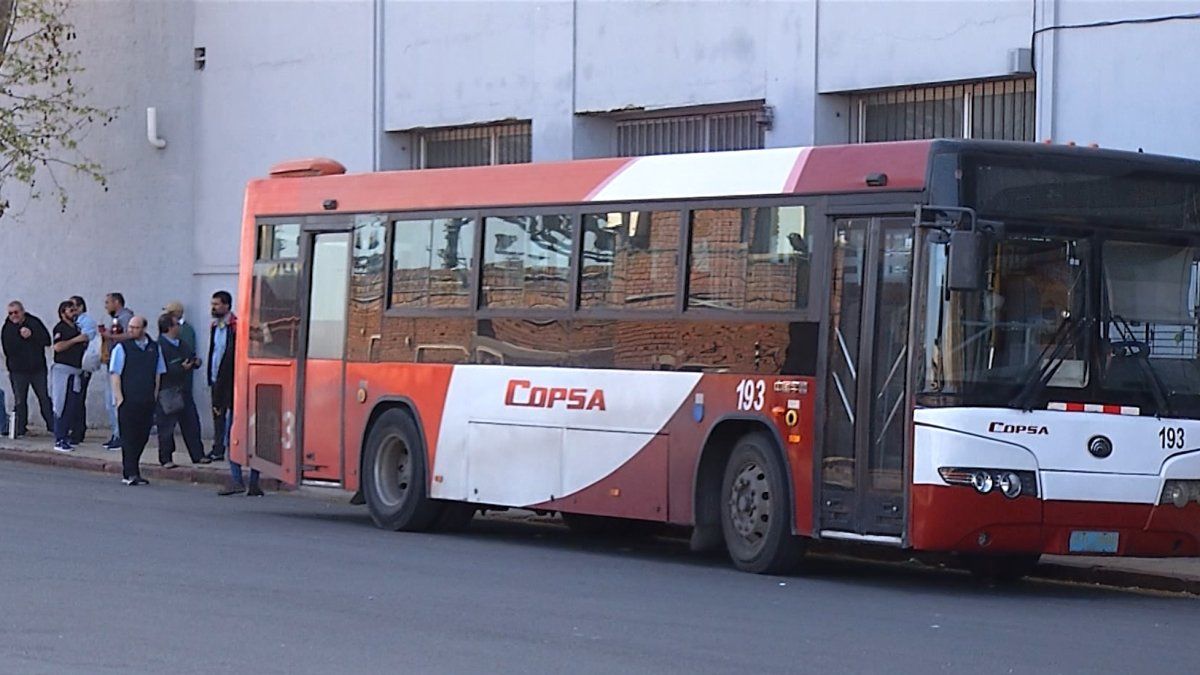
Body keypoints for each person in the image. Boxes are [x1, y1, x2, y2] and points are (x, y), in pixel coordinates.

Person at [209, 291, 261, 496]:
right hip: (219, 384)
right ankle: (239, 477)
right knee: (227, 430)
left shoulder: (237, 328)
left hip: (236, 387)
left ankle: (246, 480)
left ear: (227, 305)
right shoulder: (216, 327)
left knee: (240, 435)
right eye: (212, 304)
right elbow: (215, 354)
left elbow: (230, 361)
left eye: (217, 304)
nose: (213, 308)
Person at [109, 316, 164, 485]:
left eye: (135, 327)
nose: (131, 330)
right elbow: (115, 374)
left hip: (146, 399)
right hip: (128, 399)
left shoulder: (154, 348)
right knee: (128, 437)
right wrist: (119, 398)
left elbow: (158, 373)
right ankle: (129, 472)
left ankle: (135, 469)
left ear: (144, 328)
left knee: (142, 436)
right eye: (130, 327)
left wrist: (154, 395)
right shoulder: (122, 347)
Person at [155, 313, 210, 468]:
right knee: (167, 427)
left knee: (192, 423)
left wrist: (195, 362)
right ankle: (166, 458)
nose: (179, 327)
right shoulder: (159, 346)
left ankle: (197, 455)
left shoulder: (181, 343)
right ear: (169, 327)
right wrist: (180, 368)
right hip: (168, 392)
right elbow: (161, 370)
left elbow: (191, 356)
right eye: (176, 324)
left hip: (184, 389)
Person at [2, 301, 54, 437]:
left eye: (16, 312)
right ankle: (20, 428)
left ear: (22, 311)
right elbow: (8, 349)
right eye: (10, 313)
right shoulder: (7, 328)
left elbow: (47, 340)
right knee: (20, 401)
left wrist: (32, 335)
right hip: (18, 371)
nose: (13, 316)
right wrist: (20, 336)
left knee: (44, 398)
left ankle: (53, 426)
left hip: (37, 369)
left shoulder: (34, 322)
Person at [50, 300, 88, 451]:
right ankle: (60, 438)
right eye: (70, 310)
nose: (74, 313)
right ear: (62, 313)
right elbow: (58, 347)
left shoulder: (78, 327)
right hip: (63, 371)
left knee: (73, 406)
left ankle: (69, 436)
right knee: (62, 405)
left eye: (75, 310)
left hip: (76, 371)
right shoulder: (60, 328)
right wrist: (76, 340)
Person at [100, 292, 135, 449]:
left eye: (108, 302)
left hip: (121, 365)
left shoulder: (125, 317)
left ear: (116, 302)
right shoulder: (116, 318)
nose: (106, 306)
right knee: (110, 402)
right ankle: (116, 433)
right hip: (111, 363)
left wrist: (111, 336)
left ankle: (121, 435)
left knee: (116, 401)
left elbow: (130, 335)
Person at [69, 295, 98, 444]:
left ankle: (78, 431)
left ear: (80, 307)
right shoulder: (71, 322)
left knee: (79, 398)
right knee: (72, 398)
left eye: (73, 306)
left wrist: (68, 341)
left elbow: (86, 337)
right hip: (73, 363)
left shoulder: (86, 321)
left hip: (84, 364)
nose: (71, 309)